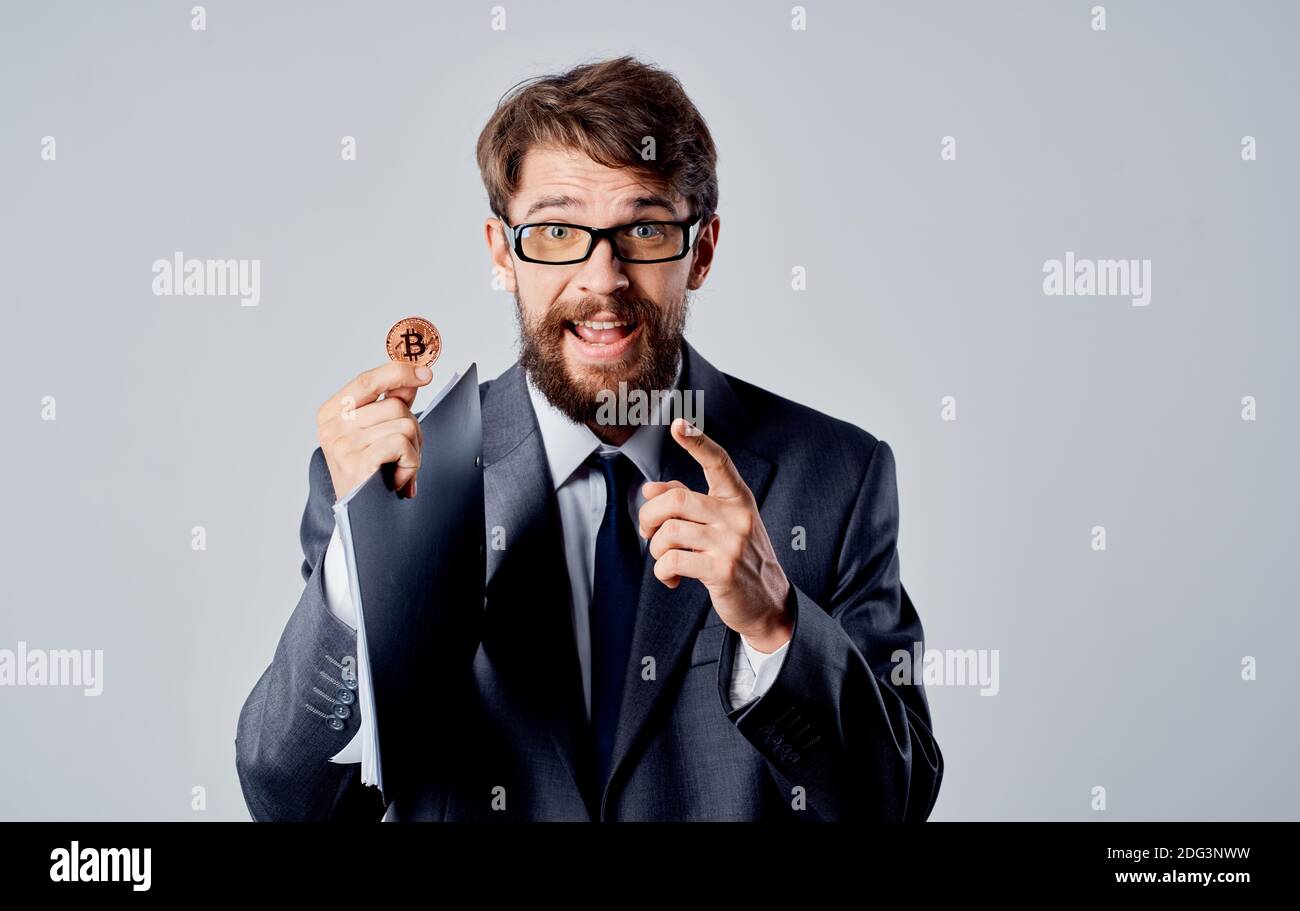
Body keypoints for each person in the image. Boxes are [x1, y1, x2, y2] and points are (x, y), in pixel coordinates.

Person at [236, 55, 942, 821]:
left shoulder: (837, 475)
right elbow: (290, 801)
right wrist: (366, 560)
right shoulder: (393, 479)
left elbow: (891, 806)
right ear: (502, 254)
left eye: (643, 227)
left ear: (699, 251)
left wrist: (776, 625)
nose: (602, 278)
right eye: (556, 230)